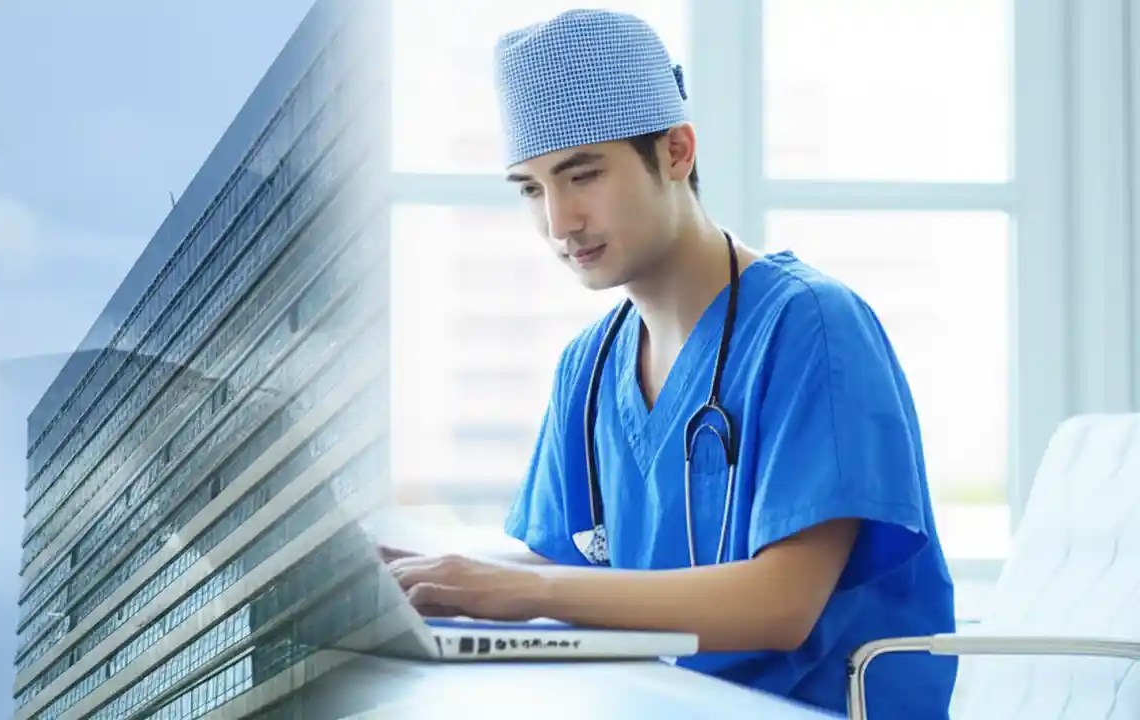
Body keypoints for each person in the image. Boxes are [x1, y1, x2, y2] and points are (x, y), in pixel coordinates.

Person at [382, 8, 957, 718]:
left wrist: (522, 592)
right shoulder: (588, 368)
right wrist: (402, 573)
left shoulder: (811, 325)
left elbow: (783, 603)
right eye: (531, 189)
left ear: (678, 151)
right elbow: (576, 566)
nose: (559, 223)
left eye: (582, 175)